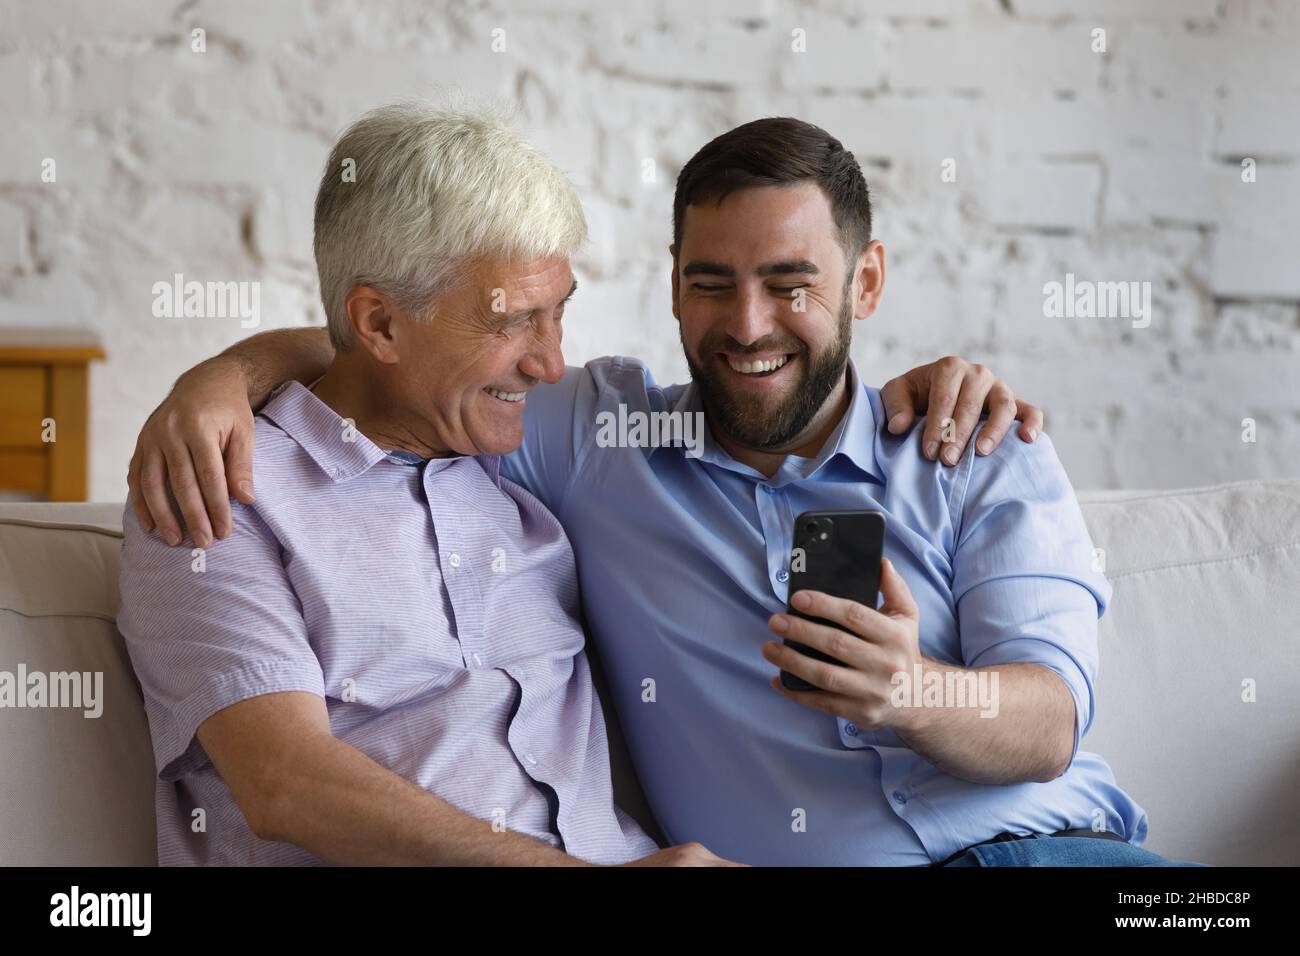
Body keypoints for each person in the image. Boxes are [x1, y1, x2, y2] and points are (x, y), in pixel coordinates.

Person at [131, 106, 1194, 866]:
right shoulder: (590, 436)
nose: (747, 324)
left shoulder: (976, 445)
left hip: (1065, 853)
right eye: (710, 283)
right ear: (674, 282)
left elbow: (1048, 722)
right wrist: (219, 378)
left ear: (865, 282)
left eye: (792, 284)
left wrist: (911, 691)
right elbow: (380, 372)